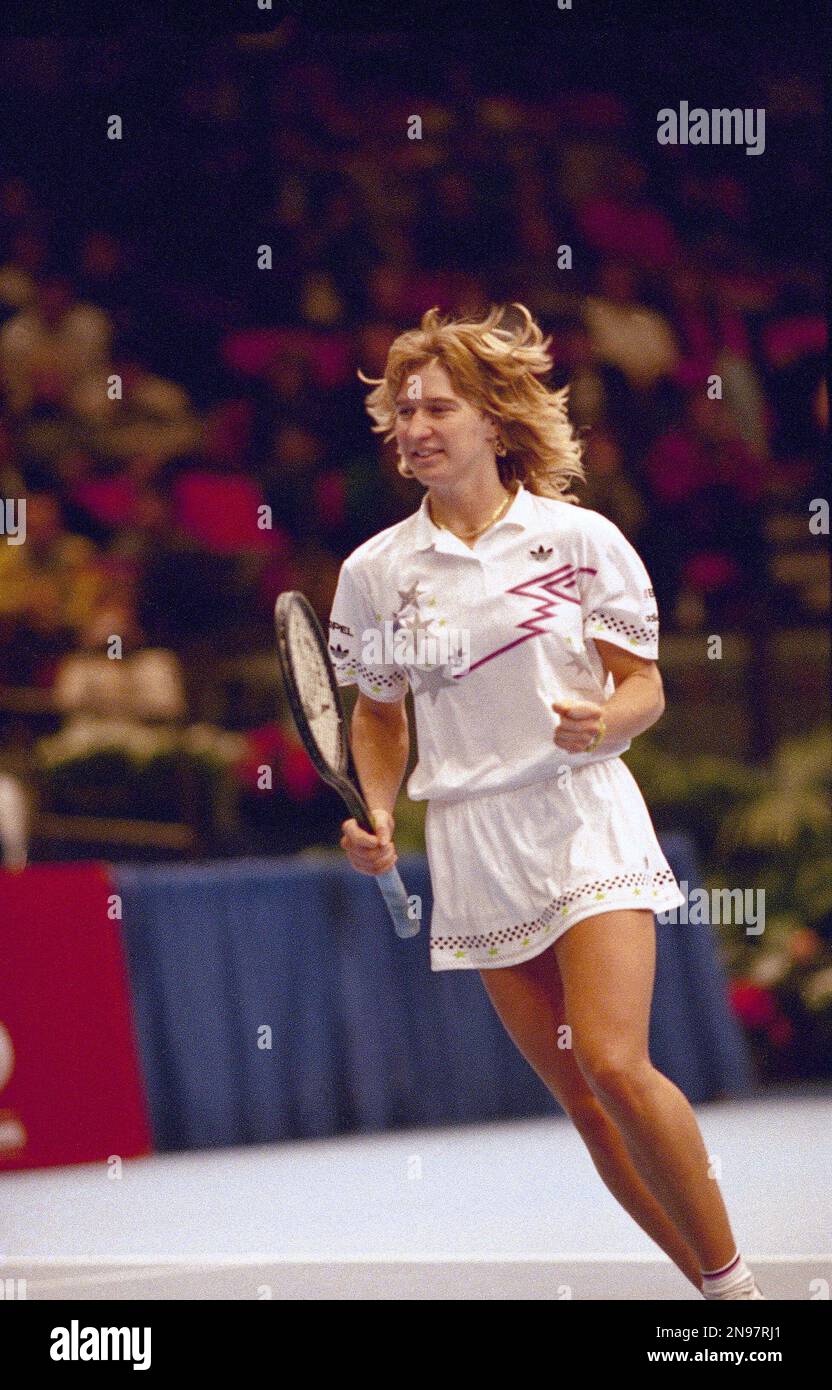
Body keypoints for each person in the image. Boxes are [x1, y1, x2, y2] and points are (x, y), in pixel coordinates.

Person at [329, 302, 764, 1301]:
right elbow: (380, 718)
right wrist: (382, 811)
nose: (416, 426)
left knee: (614, 1059)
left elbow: (642, 685)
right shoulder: (374, 572)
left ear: (493, 417)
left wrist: (605, 722)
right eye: (403, 411)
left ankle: (741, 1296)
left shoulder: (580, 541)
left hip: (578, 810)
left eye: (438, 407)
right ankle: (713, 1289)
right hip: (471, 839)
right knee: (583, 1097)